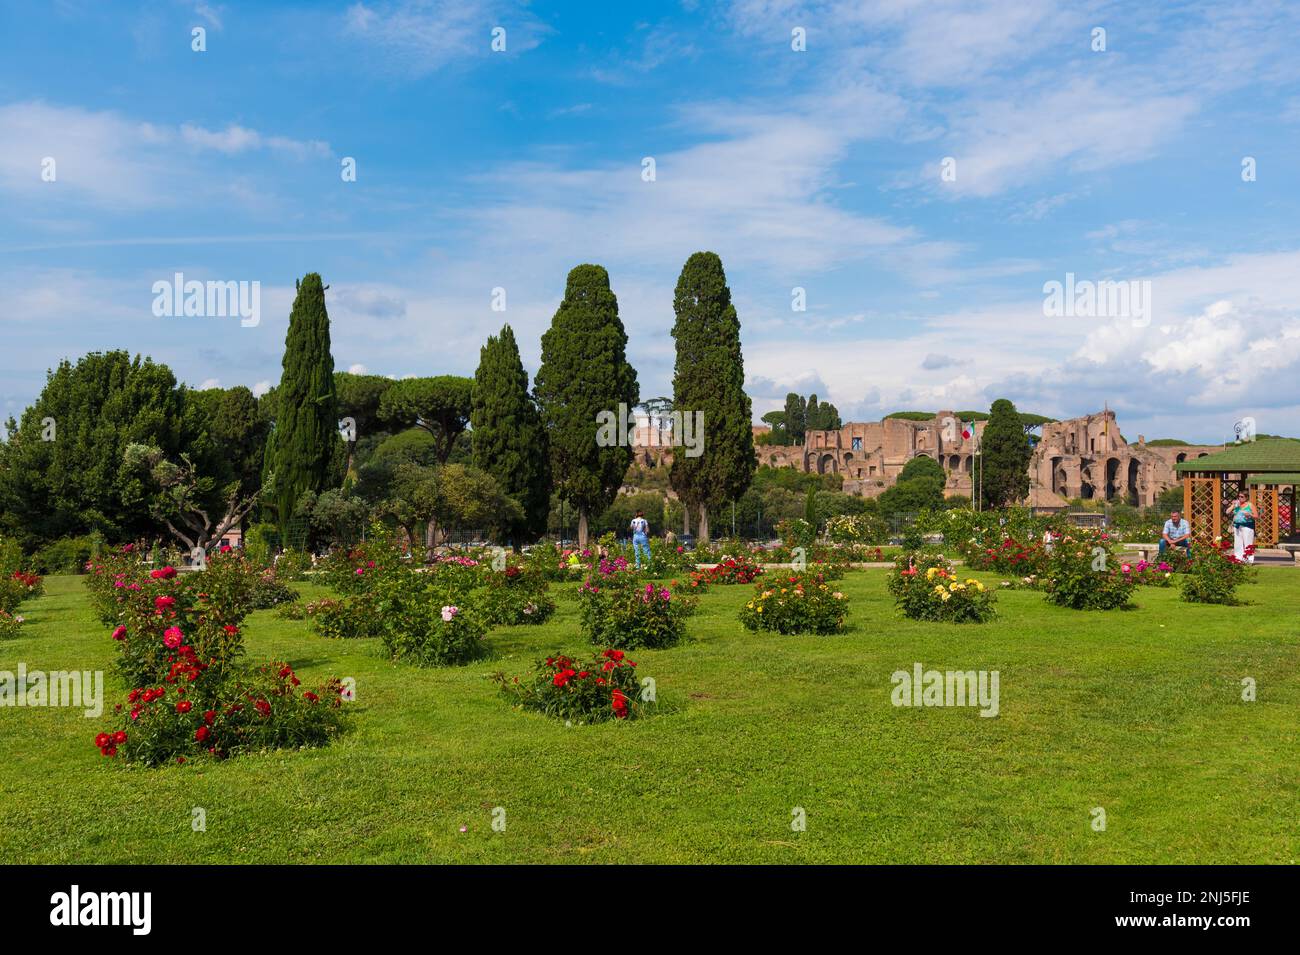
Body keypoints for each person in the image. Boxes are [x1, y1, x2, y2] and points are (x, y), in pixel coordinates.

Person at [1231, 493, 1256, 563]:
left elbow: (1256, 516)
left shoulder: (1250, 505)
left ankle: (1249, 560)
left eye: (1242, 497)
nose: (1240, 498)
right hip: (1237, 526)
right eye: (1239, 496)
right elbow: (1229, 512)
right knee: (1237, 543)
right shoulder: (1237, 505)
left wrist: (1250, 514)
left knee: (1248, 543)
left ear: (1246, 497)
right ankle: (1238, 559)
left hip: (1247, 526)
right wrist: (1233, 505)